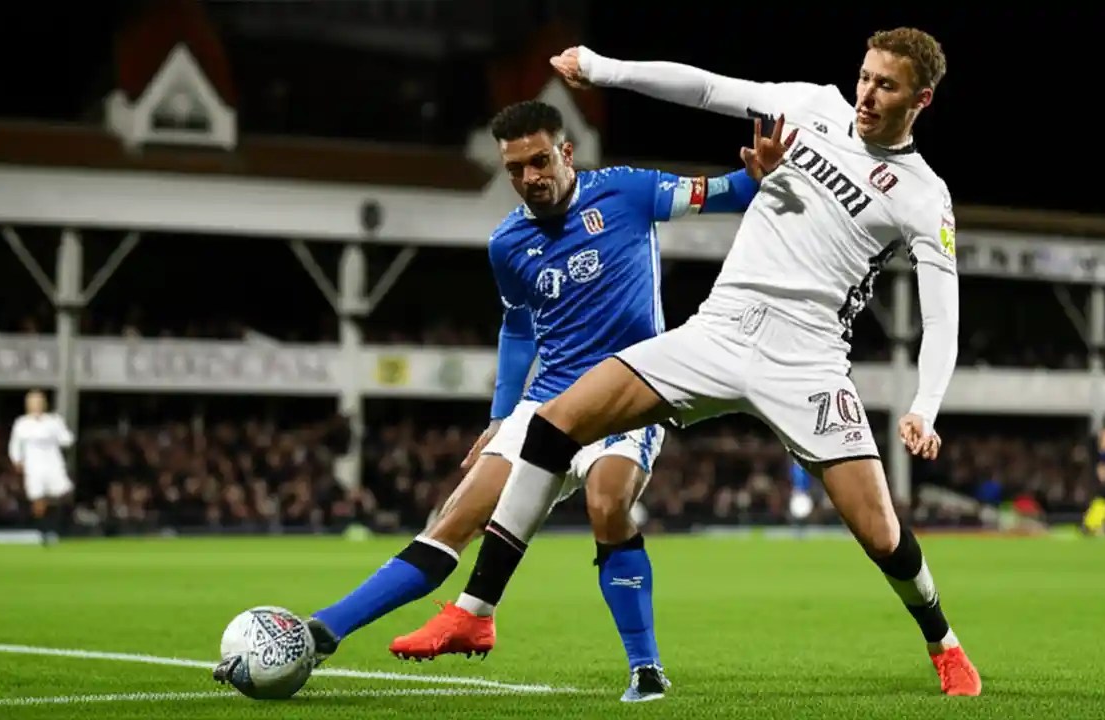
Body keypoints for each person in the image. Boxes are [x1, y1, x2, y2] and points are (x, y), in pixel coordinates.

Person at [442, 27, 982, 697]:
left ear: (921, 99)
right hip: (718, 331)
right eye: (865, 77)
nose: (866, 94)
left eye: (887, 86)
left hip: (806, 363)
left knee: (881, 535)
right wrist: (604, 68)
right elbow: (705, 88)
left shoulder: (923, 195)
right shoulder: (814, 106)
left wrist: (925, 407)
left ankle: (943, 641)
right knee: (555, 419)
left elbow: (943, 316)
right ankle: (476, 610)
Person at [294, 99, 792, 703]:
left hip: (629, 392)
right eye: (515, 169)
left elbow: (724, 193)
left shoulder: (628, 192)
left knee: (608, 503)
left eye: (539, 161)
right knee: (454, 520)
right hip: (546, 400)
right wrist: (499, 417)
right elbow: (518, 329)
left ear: (566, 153)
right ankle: (323, 632)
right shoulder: (507, 243)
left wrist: (759, 173)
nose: (529, 177)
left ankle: (645, 668)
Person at [7, 389, 75, 545]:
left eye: (38, 402)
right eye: (33, 403)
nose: (36, 405)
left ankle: (60, 528)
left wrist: (60, 436)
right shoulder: (22, 423)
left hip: (53, 463)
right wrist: (17, 460)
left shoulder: (54, 421)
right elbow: (15, 444)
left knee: (64, 494)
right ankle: (42, 532)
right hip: (33, 466)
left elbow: (67, 439)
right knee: (37, 500)